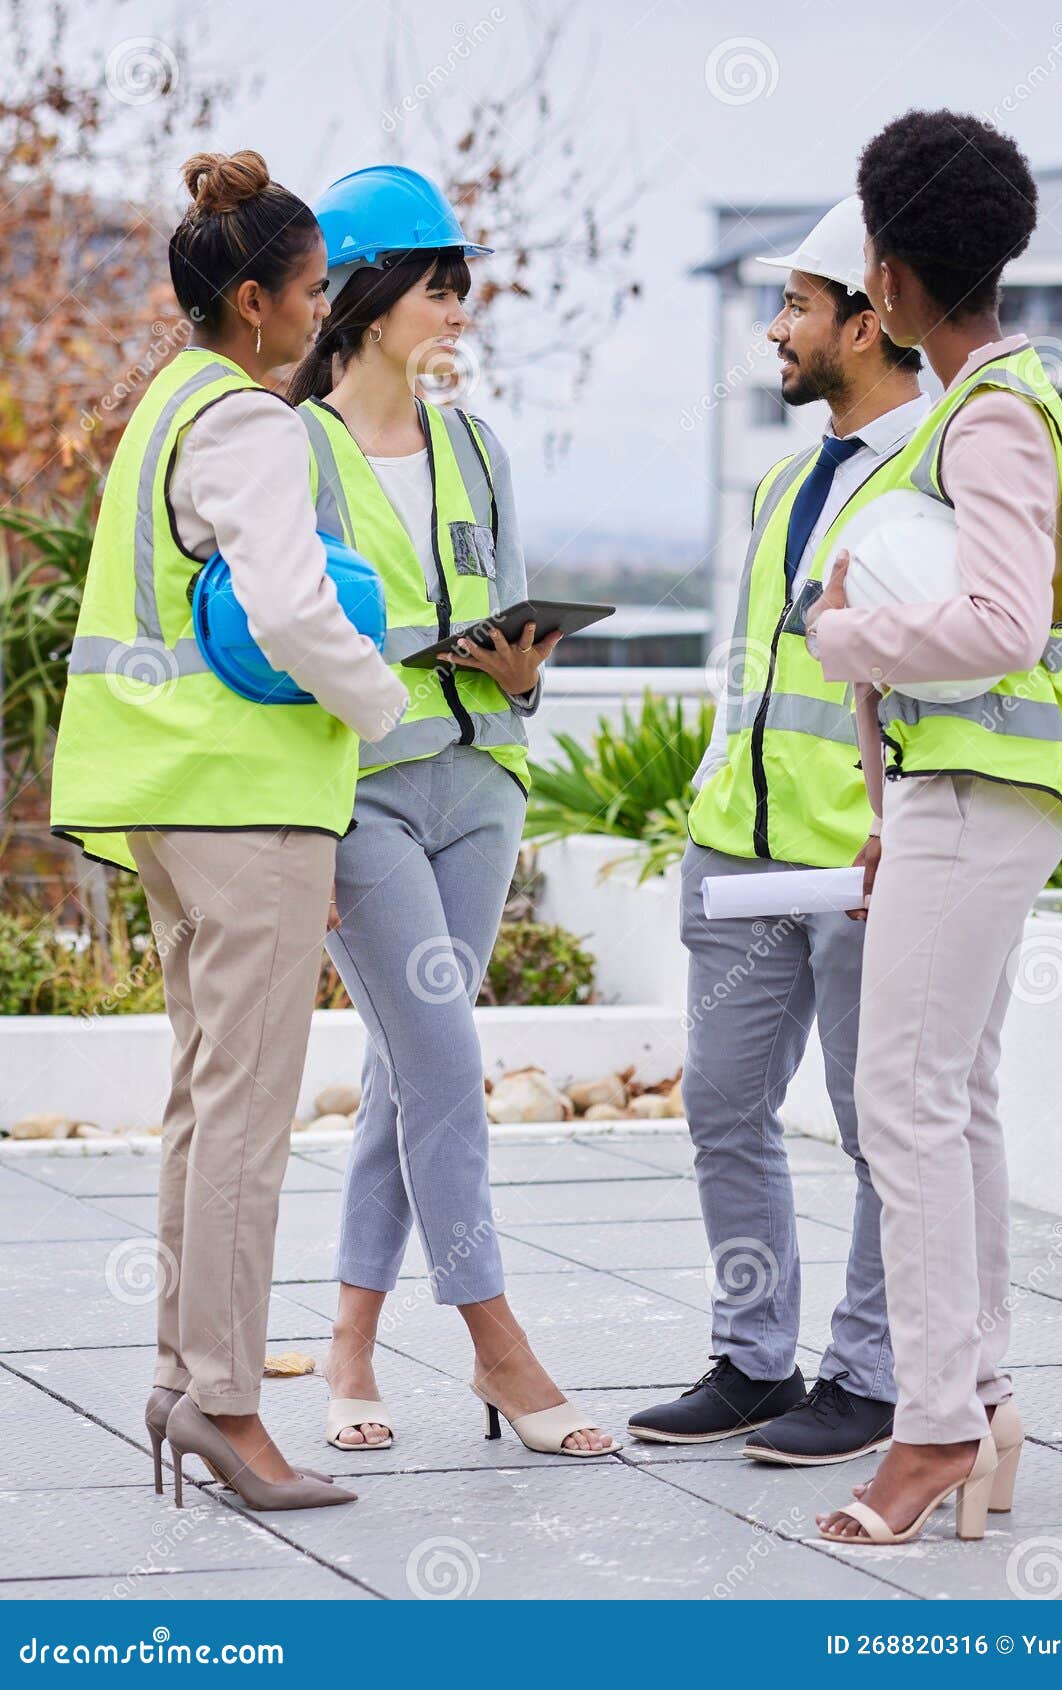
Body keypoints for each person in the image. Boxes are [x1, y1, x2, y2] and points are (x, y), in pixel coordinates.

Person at [50, 150, 409, 1512]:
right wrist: (378, 709)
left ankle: (182, 1381)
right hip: (244, 800)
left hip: (166, 796)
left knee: (205, 1106)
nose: (325, 312)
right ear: (254, 300)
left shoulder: (169, 403)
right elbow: (294, 608)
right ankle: (231, 1406)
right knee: (247, 1118)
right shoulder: (252, 423)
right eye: (314, 290)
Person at [808, 112, 1062, 1545]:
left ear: (887, 272)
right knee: (955, 1094)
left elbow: (993, 625)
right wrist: (898, 804)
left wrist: (850, 635)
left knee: (903, 1103)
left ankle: (928, 1423)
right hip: (971, 799)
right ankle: (977, 1393)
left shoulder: (987, 412)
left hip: (982, 796)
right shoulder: (1004, 398)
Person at [286, 166, 619, 1459]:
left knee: (404, 1069)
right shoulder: (296, 448)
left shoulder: (474, 444)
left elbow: (512, 609)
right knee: (440, 1064)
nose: (457, 311)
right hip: (359, 795)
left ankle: (351, 1341)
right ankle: (496, 1339)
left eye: (461, 288)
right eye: (439, 287)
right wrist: (298, 832)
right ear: (369, 296)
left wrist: (523, 671)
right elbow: (278, 650)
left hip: (480, 788)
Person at [628, 198, 929, 1463]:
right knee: (725, 1109)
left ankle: (870, 1375)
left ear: (867, 319)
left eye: (797, 307)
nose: (775, 331)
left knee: (879, 1134)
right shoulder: (783, 478)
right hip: (738, 851)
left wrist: (907, 827)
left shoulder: (941, 470)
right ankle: (756, 1360)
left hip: (862, 860)